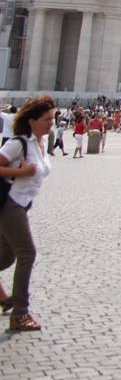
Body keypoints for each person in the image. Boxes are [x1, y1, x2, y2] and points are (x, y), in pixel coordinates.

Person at [0, 94, 57, 331]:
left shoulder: (41, 144)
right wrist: (21, 173)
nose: (51, 123)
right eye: (47, 119)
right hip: (10, 204)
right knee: (27, 254)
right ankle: (20, 314)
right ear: (32, 121)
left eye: (53, 118)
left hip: (23, 204)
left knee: (7, 257)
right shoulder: (19, 142)